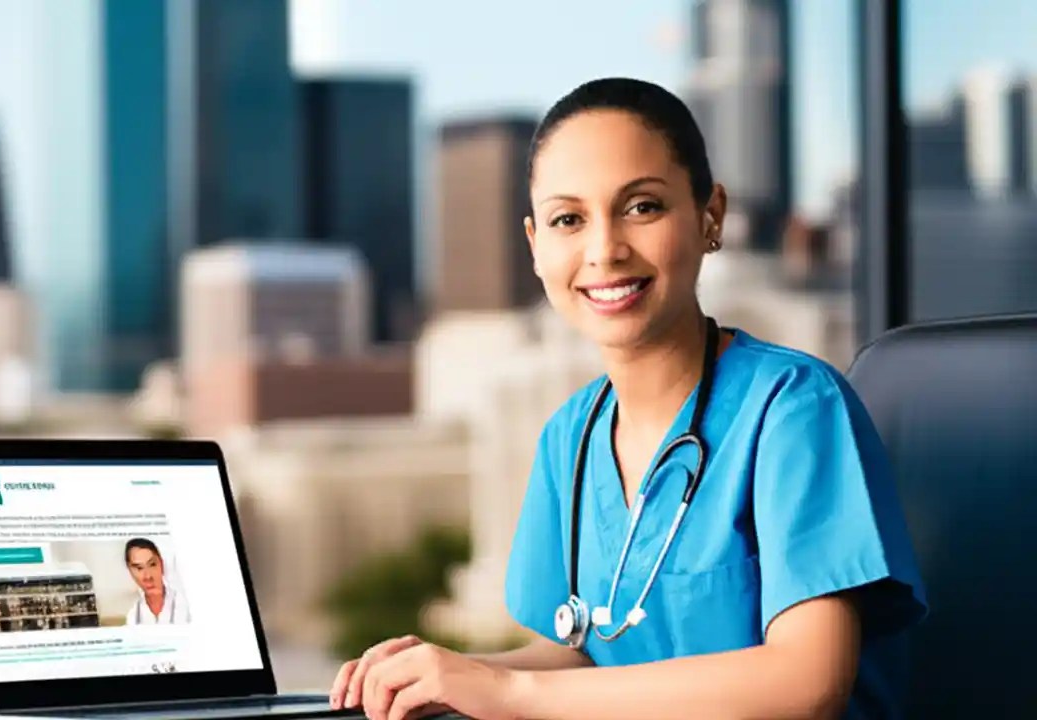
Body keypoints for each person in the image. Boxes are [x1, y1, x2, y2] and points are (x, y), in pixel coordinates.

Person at [329, 77, 926, 720]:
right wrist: (444, 675)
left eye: (642, 207)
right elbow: (593, 656)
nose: (605, 250)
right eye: (568, 219)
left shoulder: (792, 407)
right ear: (536, 247)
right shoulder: (571, 438)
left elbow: (806, 683)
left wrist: (505, 691)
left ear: (710, 216)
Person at [123, 537, 190, 625]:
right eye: (139, 568)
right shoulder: (133, 617)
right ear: (130, 571)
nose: (148, 576)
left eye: (152, 564)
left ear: (161, 564)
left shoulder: (185, 605)